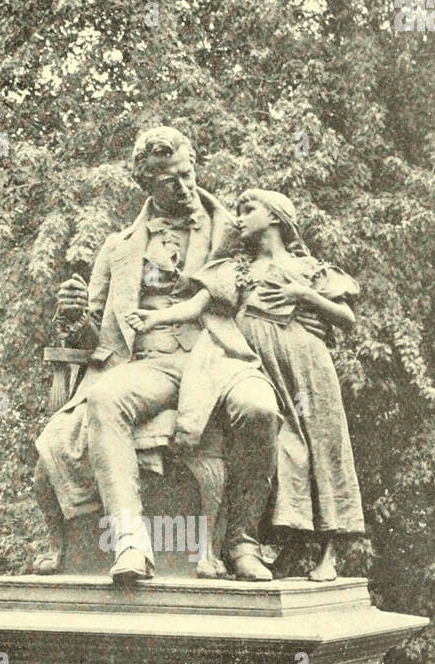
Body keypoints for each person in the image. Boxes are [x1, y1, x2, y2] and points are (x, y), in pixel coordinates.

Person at [33, 126, 283, 583]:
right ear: (147, 183)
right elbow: (96, 337)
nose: (186, 187)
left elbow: (284, 265)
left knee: (260, 408)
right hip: (150, 363)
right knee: (106, 399)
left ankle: (243, 542)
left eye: (189, 174)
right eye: (171, 181)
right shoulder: (117, 247)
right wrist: (72, 317)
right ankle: (130, 544)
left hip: (218, 356)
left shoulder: (233, 229)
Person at [125, 188, 365, 581]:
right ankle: (274, 546)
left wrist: (303, 294)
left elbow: (346, 318)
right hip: (254, 365)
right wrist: (153, 319)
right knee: (286, 450)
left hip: (306, 368)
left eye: (248, 209)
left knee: (322, 446)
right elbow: (195, 305)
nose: (240, 217)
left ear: (275, 217)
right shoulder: (237, 268)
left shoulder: (312, 270)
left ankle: (328, 555)